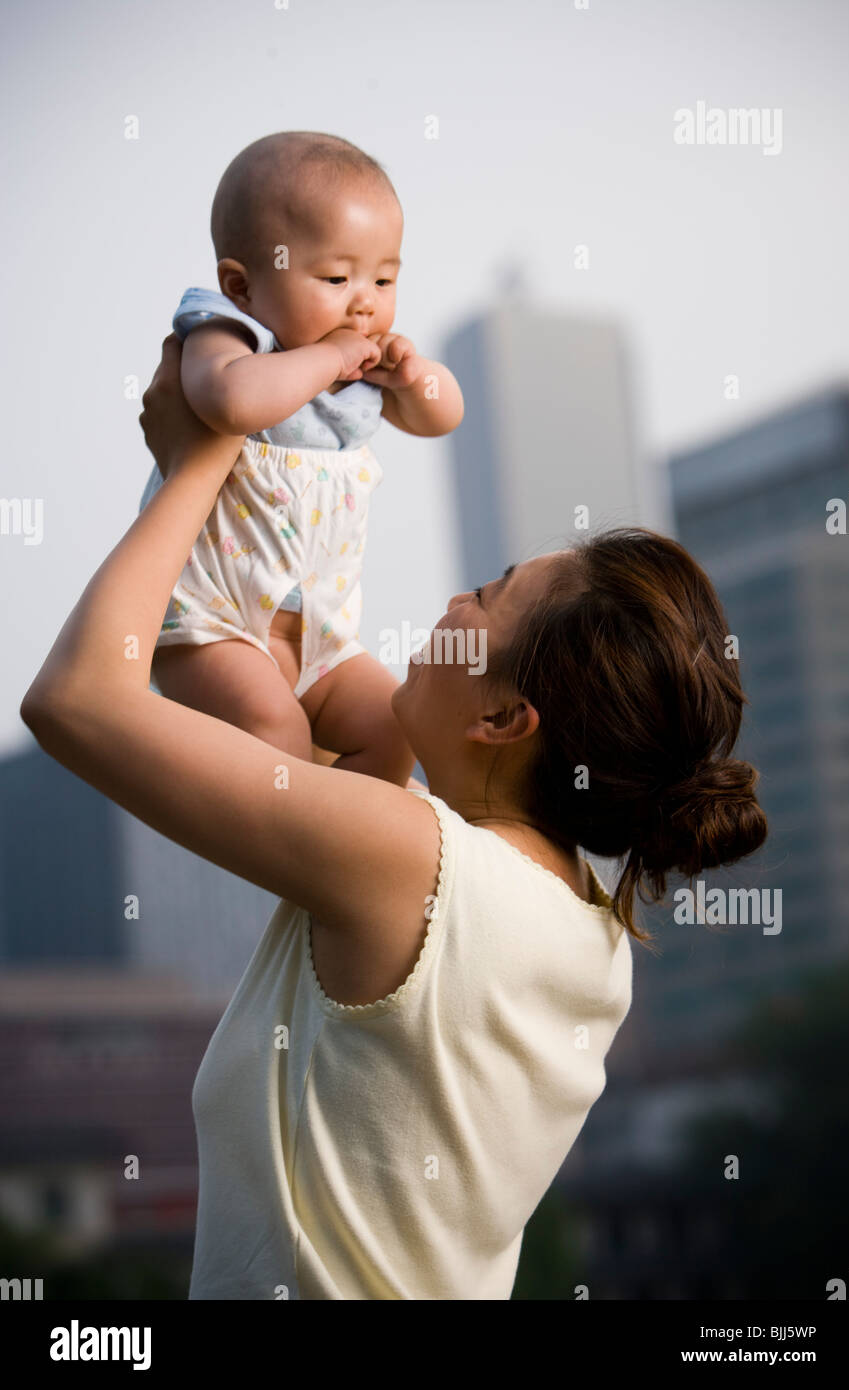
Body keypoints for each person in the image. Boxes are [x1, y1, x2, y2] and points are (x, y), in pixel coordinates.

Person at [20, 339, 767, 1300]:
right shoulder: (582, 928)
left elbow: (75, 701)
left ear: (503, 719)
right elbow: (301, 741)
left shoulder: (405, 860)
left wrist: (199, 461)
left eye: (488, 596)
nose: (455, 597)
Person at [140, 131, 463, 787]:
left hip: (321, 642)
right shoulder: (230, 334)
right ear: (243, 284)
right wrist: (328, 359)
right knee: (277, 733)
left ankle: (337, 873)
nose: (365, 301)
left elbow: (443, 415)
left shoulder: (364, 377)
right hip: (212, 626)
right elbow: (231, 402)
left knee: (395, 726)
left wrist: (412, 375)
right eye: (337, 278)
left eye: (384, 278)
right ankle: (294, 849)